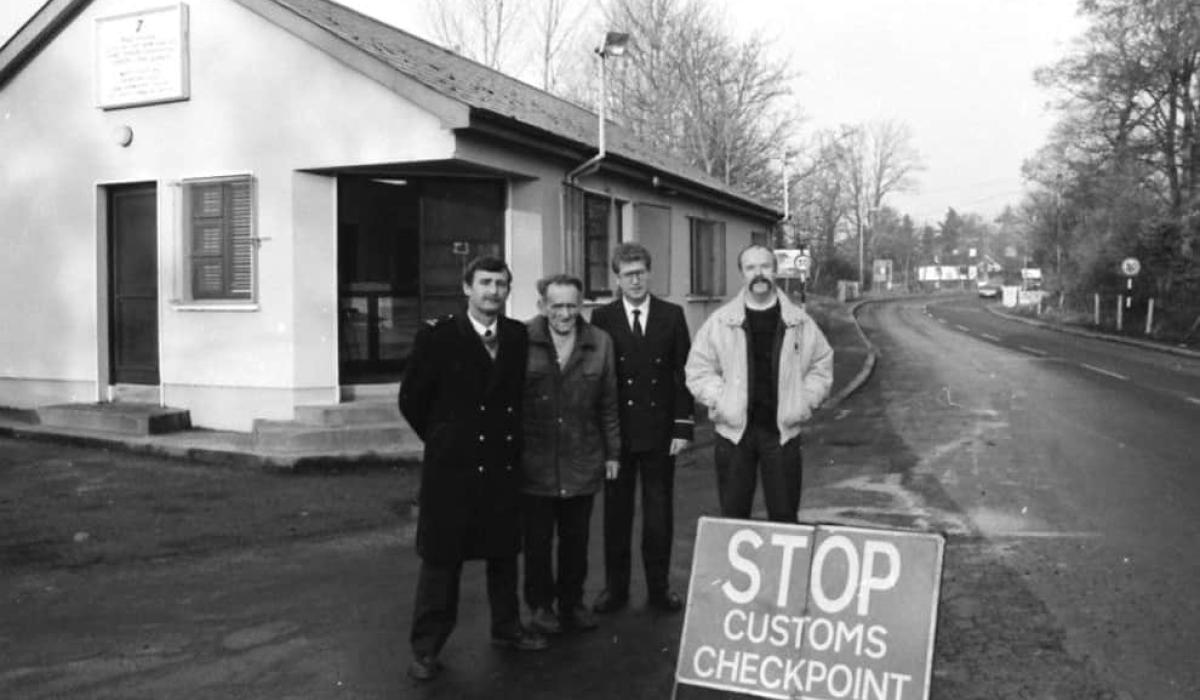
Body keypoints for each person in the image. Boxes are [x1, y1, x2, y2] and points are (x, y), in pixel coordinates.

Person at [398, 256, 548, 683]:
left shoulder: (517, 336)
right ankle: (425, 649)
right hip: (452, 472)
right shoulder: (438, 337)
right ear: (467, 288)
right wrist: (445, 439)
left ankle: (507, 629)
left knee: (503, 554)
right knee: (442, 562)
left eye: (501, 284)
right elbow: (412, 399)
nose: (493, 292)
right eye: (484, 283)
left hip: (501, 466)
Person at [684, 244, 833, 523]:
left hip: (782, 434)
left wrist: (804, 399)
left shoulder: (798, 321)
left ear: (775, 271)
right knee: (732, 519)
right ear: (742, 274)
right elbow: (698, 369)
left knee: (785, 519)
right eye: (751, 268)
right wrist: (722, 399)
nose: (759, 274)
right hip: (734, 435)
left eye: (765, 266)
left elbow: (822, 363)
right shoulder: (721, 321)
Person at [589, 243, 694, 614]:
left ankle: (659, 588)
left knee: (658, 513)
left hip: (660, 432)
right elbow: (597, 378)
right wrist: (601, 435)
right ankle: (615, 590)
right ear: (616, 278)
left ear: (650, 273)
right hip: (619, 434)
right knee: (616, 515)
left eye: (640, 272)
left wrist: (683, 427)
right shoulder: (602, 318)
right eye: (627, 274)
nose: (635, 280)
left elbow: (684, 374)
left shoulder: (672, 315)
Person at [519, 274, 621, 635]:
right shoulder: (520, 339)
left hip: (583, 457)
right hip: (535, 461)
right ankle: (540, 606)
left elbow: (608, 404)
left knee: (576, 541)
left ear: (582, 306)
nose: (564, 313)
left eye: (571, 306)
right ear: (542, 306)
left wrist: (613, 454)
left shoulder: (601, 343)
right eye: (557, 306)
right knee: (537, 542)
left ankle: (572, 603)